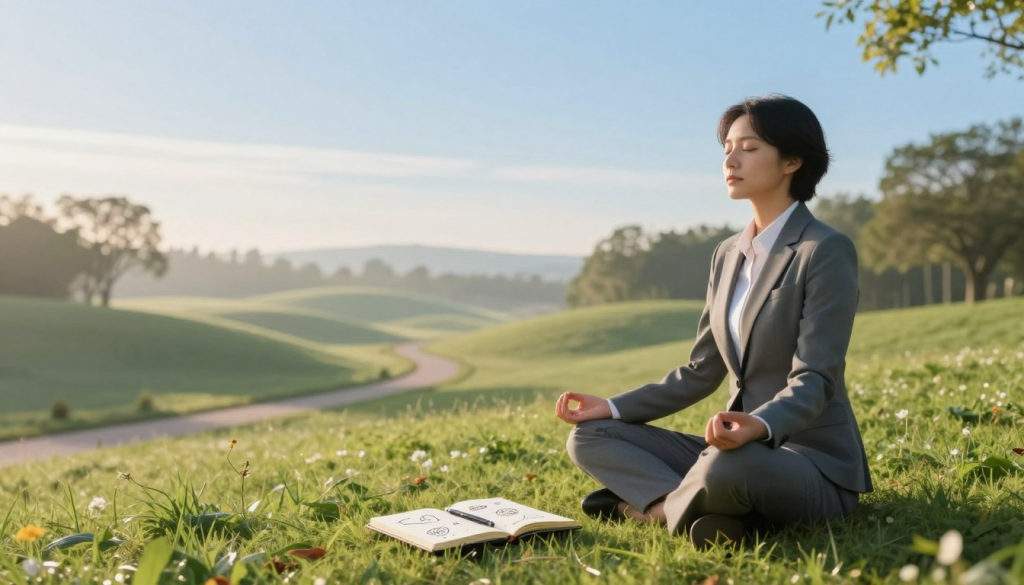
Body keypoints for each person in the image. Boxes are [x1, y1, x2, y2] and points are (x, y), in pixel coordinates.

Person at [555, 94, 873, 549]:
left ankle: (646, 507)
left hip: (808, 462)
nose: (731, 158)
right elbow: (701, 371)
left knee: (726, 467)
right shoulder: (727, 255)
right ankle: (689, 510)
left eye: (749, 147)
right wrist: (612, 407)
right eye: (727, 147)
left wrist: (759, 426)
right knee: (590, 438)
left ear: (792, 161)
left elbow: (816, 378)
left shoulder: (823, 249)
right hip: (730, 448)